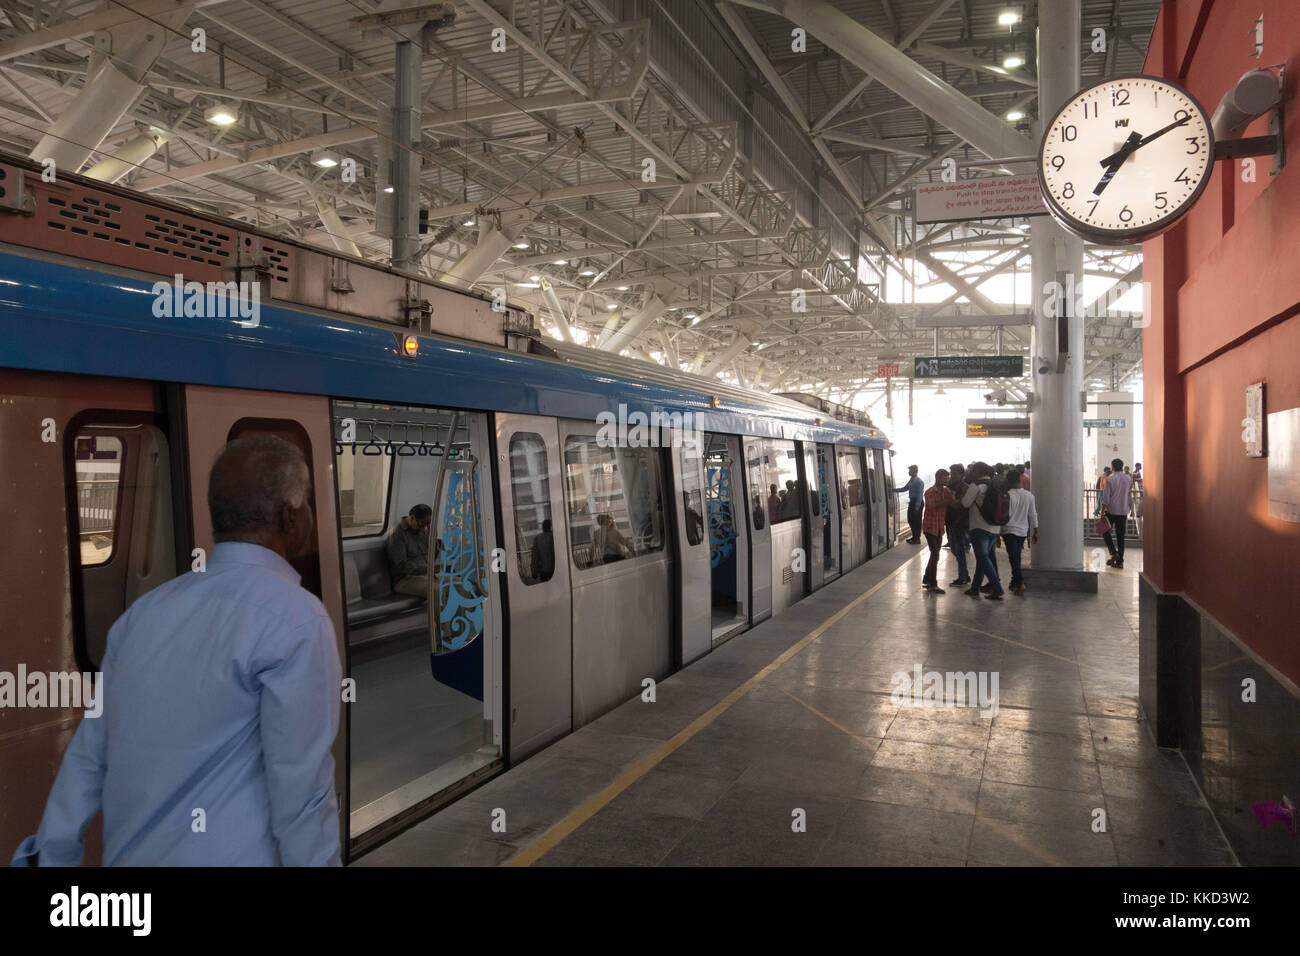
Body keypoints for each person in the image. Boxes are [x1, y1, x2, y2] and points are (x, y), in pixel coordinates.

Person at [12, 436, 341, 866]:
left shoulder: (144, 614)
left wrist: (49, 855)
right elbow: (303, 794)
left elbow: (89, 756)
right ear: (290, 515)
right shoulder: (298, 620)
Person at [962, 461, 1005, 600]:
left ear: (977, 472)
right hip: (994, 527)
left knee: (983, 557)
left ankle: (997, 588)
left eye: (973, 471)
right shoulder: (995, 485)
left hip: (979, 527)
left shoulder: (976, 486)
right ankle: (975, 588)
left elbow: (965, 503)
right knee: (984, 558)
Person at [922, 469, 958, 593]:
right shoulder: (929, 492)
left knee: (934, 554)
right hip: (929, 527)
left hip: (939, 527)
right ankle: (932, 584)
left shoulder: (947, 491)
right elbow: (931, 506)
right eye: (944, 478)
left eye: (947, 478)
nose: (946, 480)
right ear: (937, 478)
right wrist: (947, 500)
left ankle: (927, 578)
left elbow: (955, 505)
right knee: (935, 554)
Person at [1003, 469, 1038, 595]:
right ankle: (1014, 582)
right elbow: (1033, 514)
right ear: (1019, 480)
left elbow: (1005, 515)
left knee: (1014, 557)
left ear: (1009, 481)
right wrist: (1035, 531)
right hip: (1023, 531)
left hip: (1009, 530)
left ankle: (1020, 582)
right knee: (1015, 556)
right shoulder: (1029, 495)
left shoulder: (1007, 495)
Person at [388, 503, 433, 597]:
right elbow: (401, 565)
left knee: (460, 584)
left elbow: (432, 554)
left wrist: (432, 538)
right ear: (412, 518)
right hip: (405, 579)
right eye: (422, 524)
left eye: (427, 524)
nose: (424, 528)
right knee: (437, 591)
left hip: (426, 574)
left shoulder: (422, 531)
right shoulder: (398, 534)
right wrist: (427, 569)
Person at [1101, 457, 1134, 568]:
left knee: (1104, 531)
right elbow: (1129, 491)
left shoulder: (1109, 479)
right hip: (1123, 511)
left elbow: (1106, 498)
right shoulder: (1128, 478)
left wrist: (1101, 513)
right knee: (1121, 536)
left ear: (1112, 467)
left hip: (1111, 510)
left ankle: (1113, 553)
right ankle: (1120, 562)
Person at [945, 463, 971, 588]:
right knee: (955, 549)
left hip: (959, 522)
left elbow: (962, 504)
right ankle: (964, 574)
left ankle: (962, 577)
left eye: (954, 473)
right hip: (951, 521)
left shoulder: (964, 487)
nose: (952, 476)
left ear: (961, 474)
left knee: (959, 550)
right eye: (951, 474)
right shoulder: (950, 486)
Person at [894, 464, 924, 544]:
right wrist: (893, 490)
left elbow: (920, 495)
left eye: (910, 470)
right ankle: (914, 537)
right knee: (910, 520)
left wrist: (917, 507)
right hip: (912, 502)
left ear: (915, 471)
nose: (909, 472)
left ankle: (917, 539)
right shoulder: (911, 480)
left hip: (917, 502)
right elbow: (904, 489)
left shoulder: (919, 481)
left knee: (917, 521)